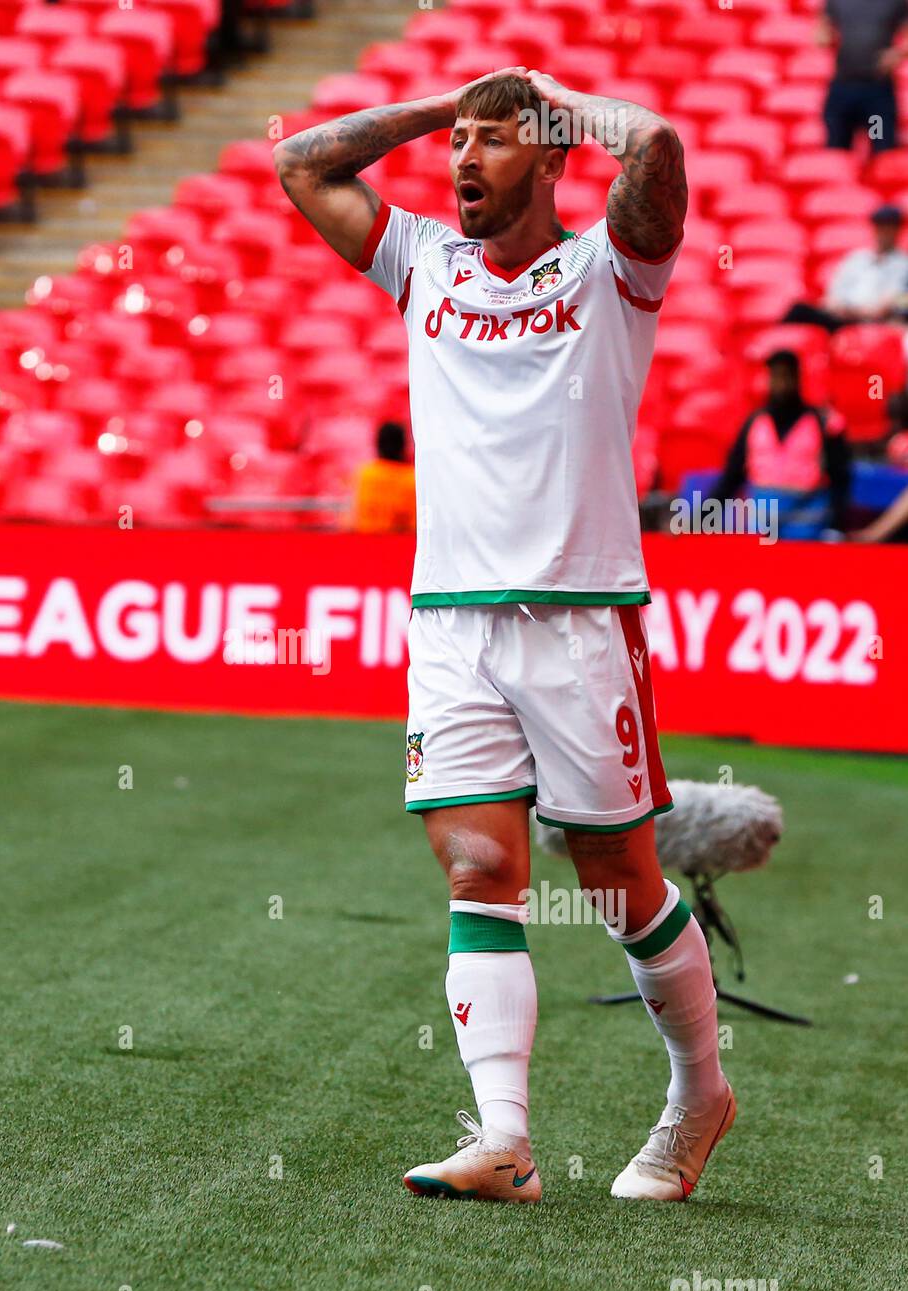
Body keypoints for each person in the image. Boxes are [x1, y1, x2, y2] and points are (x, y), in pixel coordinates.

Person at [275, 72, 733, 1204]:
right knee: (478, 865)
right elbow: (302, 164)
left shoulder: (608, 270)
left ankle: (696, 1097)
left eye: (491, 144)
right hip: (449, 623)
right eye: (454, 146)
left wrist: (558, 104)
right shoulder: (421, 258)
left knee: (618, 877)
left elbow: (660, 150)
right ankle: (503, 1138)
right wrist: (448, 107)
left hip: (579, 619)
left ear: (552, 157)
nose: (458, 161)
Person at [711, 350, 851, 534]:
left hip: (808, 525)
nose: (782, 385)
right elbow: (731, 478)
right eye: (776, 377)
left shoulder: (822, 423)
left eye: (787, 377)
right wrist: (698, 519)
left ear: (797, 378)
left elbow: (840, 479)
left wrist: (836, 523)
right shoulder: (755, 423)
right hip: (762, 526)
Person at [785, 205, 908, 331]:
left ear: (897, 230)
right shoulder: (856, 258)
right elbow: (833, 295)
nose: (884, 231)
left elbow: (890, 304)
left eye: (889, 227)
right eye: (880, 226)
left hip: (873, 322)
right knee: (799, 311)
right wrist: (839, 308)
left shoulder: (903, 265)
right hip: (843, 318)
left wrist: (860, 312)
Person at [820, 0, 908, 154]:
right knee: (837, 152)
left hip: (876, 92)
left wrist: (897, 54)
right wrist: (825, 36)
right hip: (843, 88)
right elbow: (823, 30)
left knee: (881, 148)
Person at [347, 421, 416, 532]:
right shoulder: (411, 479)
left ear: (378, 444)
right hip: (400, 544)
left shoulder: (365, 474)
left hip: (366, 542)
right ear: (403, 446)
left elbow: (350, 519)